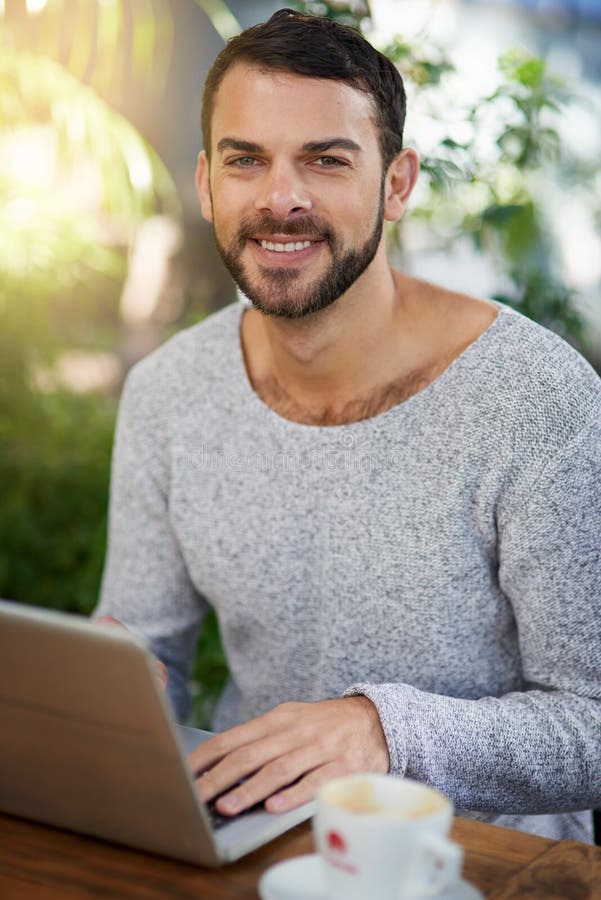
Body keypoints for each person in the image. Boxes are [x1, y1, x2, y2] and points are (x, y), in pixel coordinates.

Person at [95, 9, 601, 842]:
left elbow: (590, 724)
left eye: (325, 161)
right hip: (249, 841)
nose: (280, 198)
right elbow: (146, 660)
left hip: (482, 865)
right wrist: (118, 691)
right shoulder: (168, 393)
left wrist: (384, 730)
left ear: (395, 184)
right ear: (206, 183)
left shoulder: (537, 401)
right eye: (245, 160)